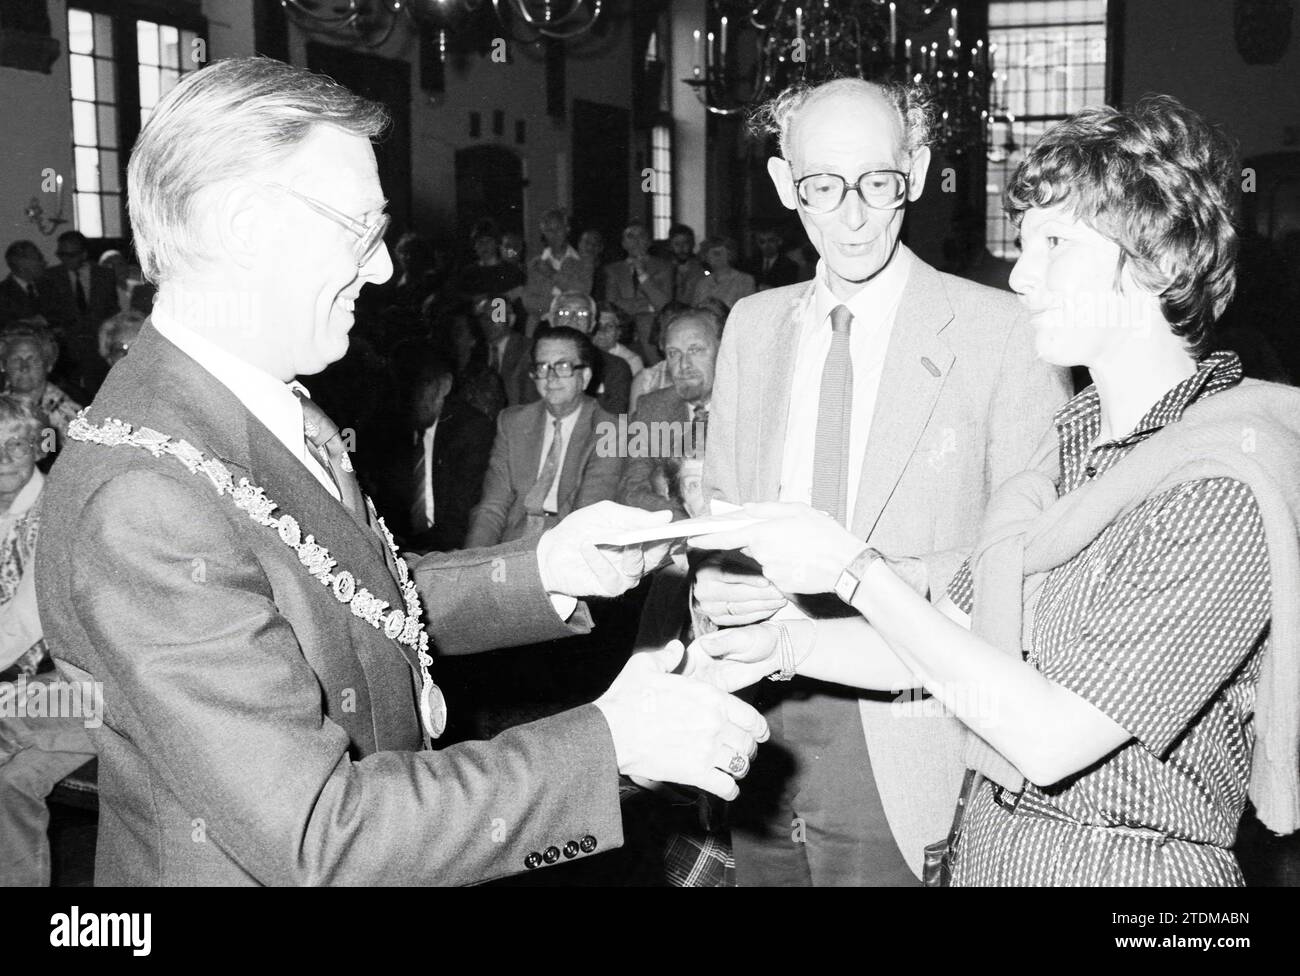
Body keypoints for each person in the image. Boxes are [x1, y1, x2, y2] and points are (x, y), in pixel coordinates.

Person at [35, 57, 768, 886]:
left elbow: (341, 598)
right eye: (359, 229)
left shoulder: (262, 403)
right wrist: (608, 746)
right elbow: (320, 836)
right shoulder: (143, 498)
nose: (382, 268)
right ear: (244, 225)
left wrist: (547, 569)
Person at [691, 95, 1300, 887]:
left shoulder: (1219, 484)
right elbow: (955, 641)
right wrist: (790, 645)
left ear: (1158, 256)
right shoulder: (1072, 453)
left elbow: (1046, 734)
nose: (1022, 273)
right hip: (996, 856)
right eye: (1026, 242)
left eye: (1055, 243)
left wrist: (852, 568)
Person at [695, 77, 1071, 887]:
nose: (853, 215)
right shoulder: (752, 328)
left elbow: (1037, 563)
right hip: (760, 719)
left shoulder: (1007, 335)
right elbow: (721, 519)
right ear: (782, 185)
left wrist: (896, 580)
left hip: (907, 727)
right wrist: (713, 585)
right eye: (822, 186)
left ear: (920, 169)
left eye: (878, 182)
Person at [0, 395, 97, 887]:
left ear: (38, 449)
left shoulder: (58, 508)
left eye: (14, 445)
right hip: (47, 689)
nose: (1, 458)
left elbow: (24, 622)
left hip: (89, 687)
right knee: (8, 784)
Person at [467, 326, 623, 547]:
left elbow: (587, 518)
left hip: (568, 548)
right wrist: (473, 564)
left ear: (585, 376)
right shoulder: (512, 422)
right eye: (542, 367)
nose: (550, 378)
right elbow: (492, 507)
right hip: (512, 541)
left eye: (563, 366)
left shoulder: (610, 430)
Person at [363, 345, 494, 553]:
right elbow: (388, 504)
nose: (412, 397)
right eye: (404, 386)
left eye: (422, 386)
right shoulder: (390, 429)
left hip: (452, 549)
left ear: (444, 386)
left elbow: (463, 514)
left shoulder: (472, 431)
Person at [619, 306, 720, 519]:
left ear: (723, 351)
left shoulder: (749, 407)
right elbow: (632, 489)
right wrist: (682, 522)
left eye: (696, 350)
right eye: (674, 353)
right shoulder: (653, 407)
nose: (684, 364)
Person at [37, 230, 119, 395]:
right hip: (67, 351)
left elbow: (112, 311)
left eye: (71, 255)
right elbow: (47, 312)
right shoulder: (50, 277)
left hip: (99, 349)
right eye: (62, 254)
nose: (65, 259)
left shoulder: (104, 276)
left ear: (84, 253)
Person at [531, 291, 632, 415]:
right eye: (564, 312)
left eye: (582, 313)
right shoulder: (533, 362)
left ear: (592, 324)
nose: (573, 319)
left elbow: (613, 421)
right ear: (552, 320)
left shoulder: (615, 367)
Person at [0, 323, 82, 457]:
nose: (24, 367)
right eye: (16, 359)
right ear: (2, 365)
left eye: (33, 360)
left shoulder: (68, 413)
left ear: (48, 365)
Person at [604, 223, 674, 365]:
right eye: (630, 236)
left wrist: (642, 275)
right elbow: (612, 305)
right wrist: (648, 307)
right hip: (623, 334)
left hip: (652, 335)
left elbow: (664, 304)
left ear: (649, 241)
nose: (636, 240)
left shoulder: (664, 266)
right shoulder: (613, 270)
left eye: (641, 236)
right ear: (623, 243)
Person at [522, 209, 593, 330]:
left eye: (558, 229)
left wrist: (552, 274)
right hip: (541, 325)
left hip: (574, 324)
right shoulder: (535, 264)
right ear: (543, 233)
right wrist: (563, 304)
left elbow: (583, 292)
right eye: (549, 230)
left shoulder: (583, 262)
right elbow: (529, 303)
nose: (554, 234)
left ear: (567, 229)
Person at [692, 236, 756, 309]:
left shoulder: (745, 280)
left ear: (730, 255)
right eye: (714, 253)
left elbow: (749, 309)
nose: (717, 256)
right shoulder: (702, 284)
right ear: (706, 257)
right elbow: (695, 310)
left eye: (721, 252)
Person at [0, 242, 46, 327]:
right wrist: (27, 323)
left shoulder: (48, 286)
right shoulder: (3, 293)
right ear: (21, 263)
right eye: (39, 258)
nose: (43, 262)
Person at [594, 302, 643, 377]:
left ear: (619, 332)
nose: (602, 330)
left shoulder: (631, 361)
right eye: (598, 325)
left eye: (610, 326)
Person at [746, 226, 804, 290]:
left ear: (779, 241)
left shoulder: (790, 265)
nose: (767, 245)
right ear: (758, 244)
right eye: (762, 242)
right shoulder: (751, 263)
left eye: (771, 241)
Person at [667, 223, 706, 303]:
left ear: (692, 244)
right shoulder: (665, 267)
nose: (682, 247)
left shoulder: (702, 268)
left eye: (685, 243)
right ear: (670, 245)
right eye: (677, 244)